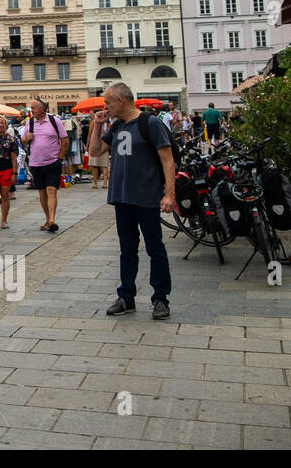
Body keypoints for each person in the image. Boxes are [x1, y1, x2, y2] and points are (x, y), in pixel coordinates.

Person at [87, 82, 176, 320]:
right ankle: (126, 296)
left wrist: (169, 194)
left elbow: (168, 160)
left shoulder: (150, 123)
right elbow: (94, 152)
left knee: (155, 248)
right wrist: (96, 126)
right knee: (127, 249)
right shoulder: (116, 126)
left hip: (145, 195)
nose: (105, 106)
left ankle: (160, 298)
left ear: (120, 101)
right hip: (121, 197)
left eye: (107, 102)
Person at [21, 98, 68, 233]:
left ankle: (52, 220)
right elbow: (23, 141)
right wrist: (26, 138)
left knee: (51, 190)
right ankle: (47, 219)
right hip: (35, 163)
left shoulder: (54, 121)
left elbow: (64, 139)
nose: (32, 110)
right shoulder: (29, 123)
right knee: (42, 191)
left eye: (34, 108)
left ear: (43, 109)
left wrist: (60, 157)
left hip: (53, 162)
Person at [86, 114, 110, 189]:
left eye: (92, 113)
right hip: (104, 144)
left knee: (94, 165)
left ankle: (95, 183)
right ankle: (105, 183)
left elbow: (89, 135)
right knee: (105, 165)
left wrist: (87, 145)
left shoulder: (93, 123)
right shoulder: (108, 123)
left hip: (94, 144)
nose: (91, 114)